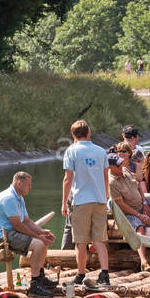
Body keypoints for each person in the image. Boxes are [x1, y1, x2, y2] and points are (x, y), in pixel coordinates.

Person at [0, 171, 57, 297]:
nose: (30, 187)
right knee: (39, 244)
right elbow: (17, 225)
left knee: (42, 241)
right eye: (28, 185)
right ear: (19, 183)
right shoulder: (9, 198)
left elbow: (26, 221)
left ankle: (40, 277)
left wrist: (41, 232)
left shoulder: (19, 198)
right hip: (0, 237)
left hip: (10, 232)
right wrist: (37, 237)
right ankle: (34, 285)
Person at [61, 119, 111, 288]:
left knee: (81, 242)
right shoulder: (100, 151)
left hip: (81, 200)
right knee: (99, 240)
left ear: (73, 135)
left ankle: (81, 274)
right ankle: (105, 275)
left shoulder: (71, 151)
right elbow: (106, 177)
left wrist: (63, 203)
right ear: (89, 133)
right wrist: (106, 197)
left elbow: (68, 179)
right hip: (99, 200)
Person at [109, 143, 150, 271]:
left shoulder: (124, 170)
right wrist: (139, 215)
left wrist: (145, 202)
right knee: (140, 228)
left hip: (141, 203)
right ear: (110, 167)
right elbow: (121, 205)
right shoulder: (112, 182)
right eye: (117, 165)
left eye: (120, 163)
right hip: (131, 211)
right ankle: (144, 261)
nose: (121, 165)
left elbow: (138, 185)